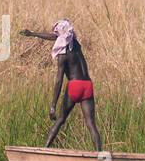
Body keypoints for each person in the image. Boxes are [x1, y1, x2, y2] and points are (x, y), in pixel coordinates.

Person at [20, 19, 102, 150]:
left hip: (74, 86)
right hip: (87, 85)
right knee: (91, 125)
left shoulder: (62, 55)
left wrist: (53, 105)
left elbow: (59, 81)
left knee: (60, 120)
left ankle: (44, 151)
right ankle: (100, 156)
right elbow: (56, 37)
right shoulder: (75, 44)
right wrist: (33, 34)